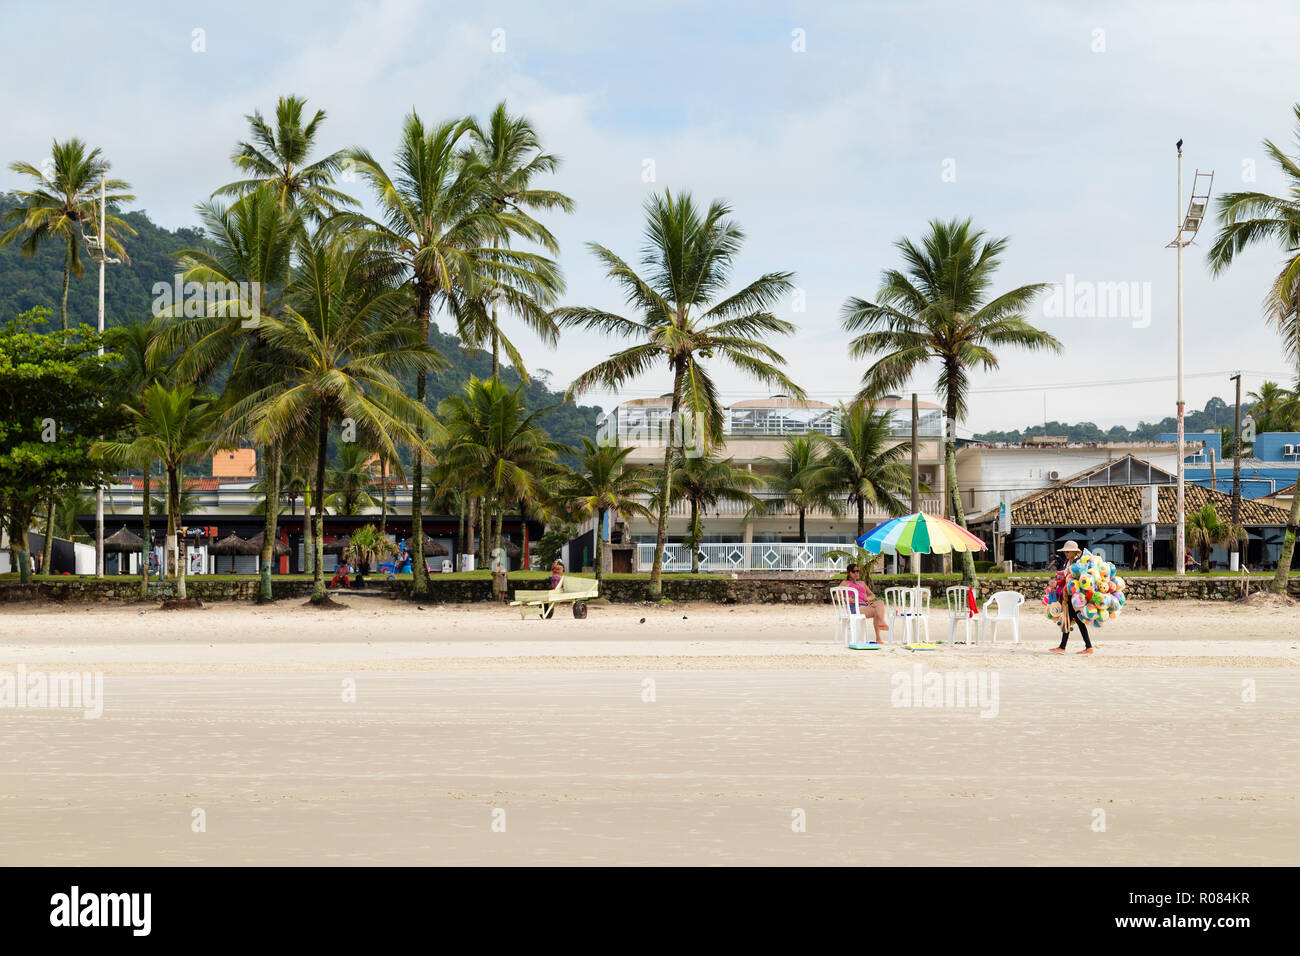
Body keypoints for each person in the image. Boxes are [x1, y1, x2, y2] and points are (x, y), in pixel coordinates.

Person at [1050, 541, 1092, 655]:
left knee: (1072, 620)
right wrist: (1057, 582)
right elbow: (1065, 578)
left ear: (1074, 552)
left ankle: (1064, 647)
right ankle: (1086, 646)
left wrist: (1063, 588)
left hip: (1075, 596)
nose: (1066, 554)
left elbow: (1076, 579)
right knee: (1073, 620)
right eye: (1065, 552)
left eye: (1068, 551)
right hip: (1069, 595)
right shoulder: (1067, 562)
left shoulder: (1079, 563)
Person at [838, 563, 888, 643]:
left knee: (880, 603)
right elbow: (836, 596)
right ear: (849, 572)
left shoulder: (862, 583)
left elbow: (872, 595)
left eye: (857, 571)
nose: (856, 573)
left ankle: (880, 630)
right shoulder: (845, 583)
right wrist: (847, 599)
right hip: (854, 607)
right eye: (853, 571)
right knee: (877, 612)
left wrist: (867, 598)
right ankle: (880, 628)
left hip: (865, 605)